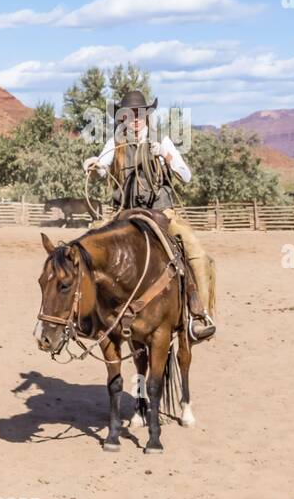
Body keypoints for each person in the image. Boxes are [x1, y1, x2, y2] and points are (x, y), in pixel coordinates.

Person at [84, 89, 216, 340]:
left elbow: (186, 176)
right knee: (87, 248)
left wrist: (165, 156)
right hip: (124, 214)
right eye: (129, 114)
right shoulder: (115, 142)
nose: (135, 119)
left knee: (196, 252)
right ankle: (91, 316)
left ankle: (201, 316)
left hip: (161, 212)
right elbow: (102, 166)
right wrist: (92, 164)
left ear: (146, 115)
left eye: (140, 114)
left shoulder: (162, 140)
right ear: (121, 117)